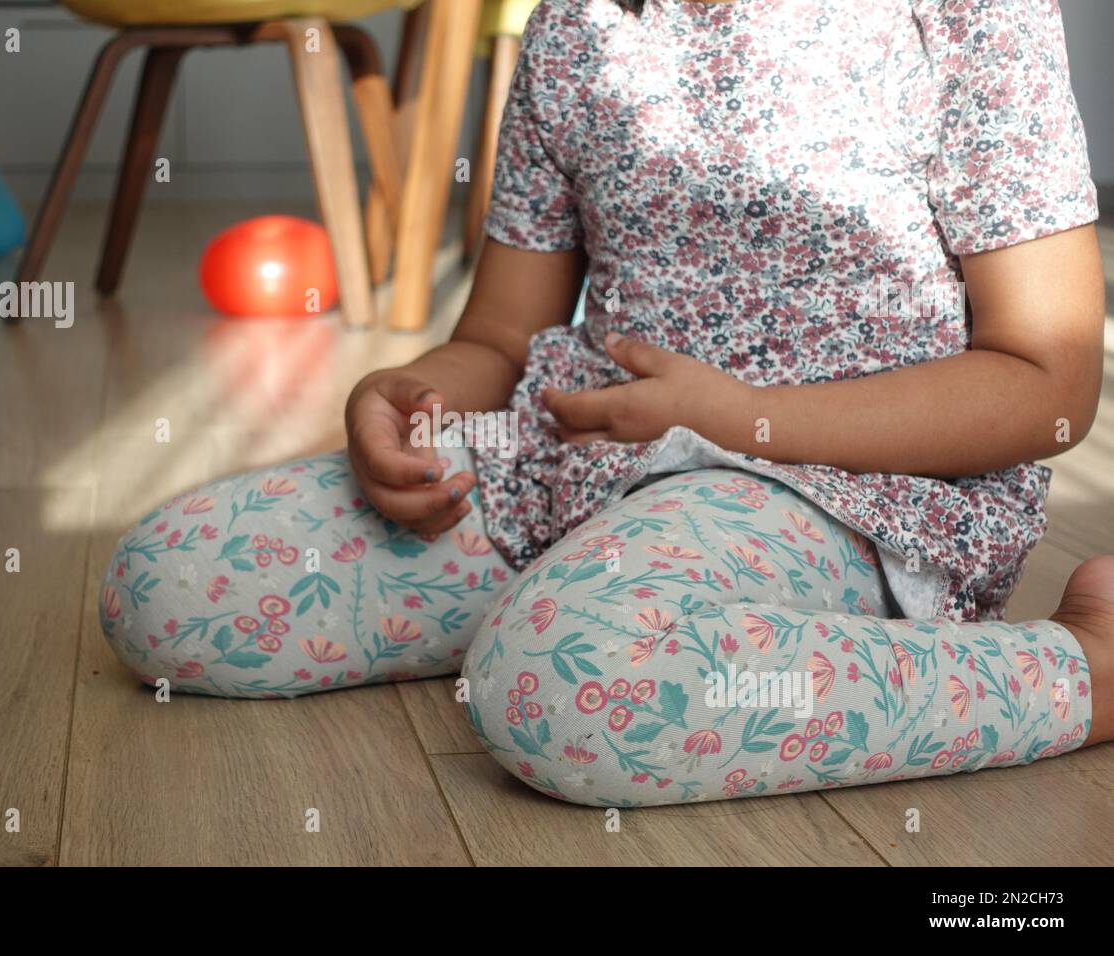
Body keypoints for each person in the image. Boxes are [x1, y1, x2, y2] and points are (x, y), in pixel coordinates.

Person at [99, 0, 1111, 806]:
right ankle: (616, 597)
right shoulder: (574, 27)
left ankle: (1081, 672)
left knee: (554, 685)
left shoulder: (971, 15)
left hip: (849, 488)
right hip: (570, 464)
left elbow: (1048, 385)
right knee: (167, 582)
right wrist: (397, 394)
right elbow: (498, 337)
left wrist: (735, 417)